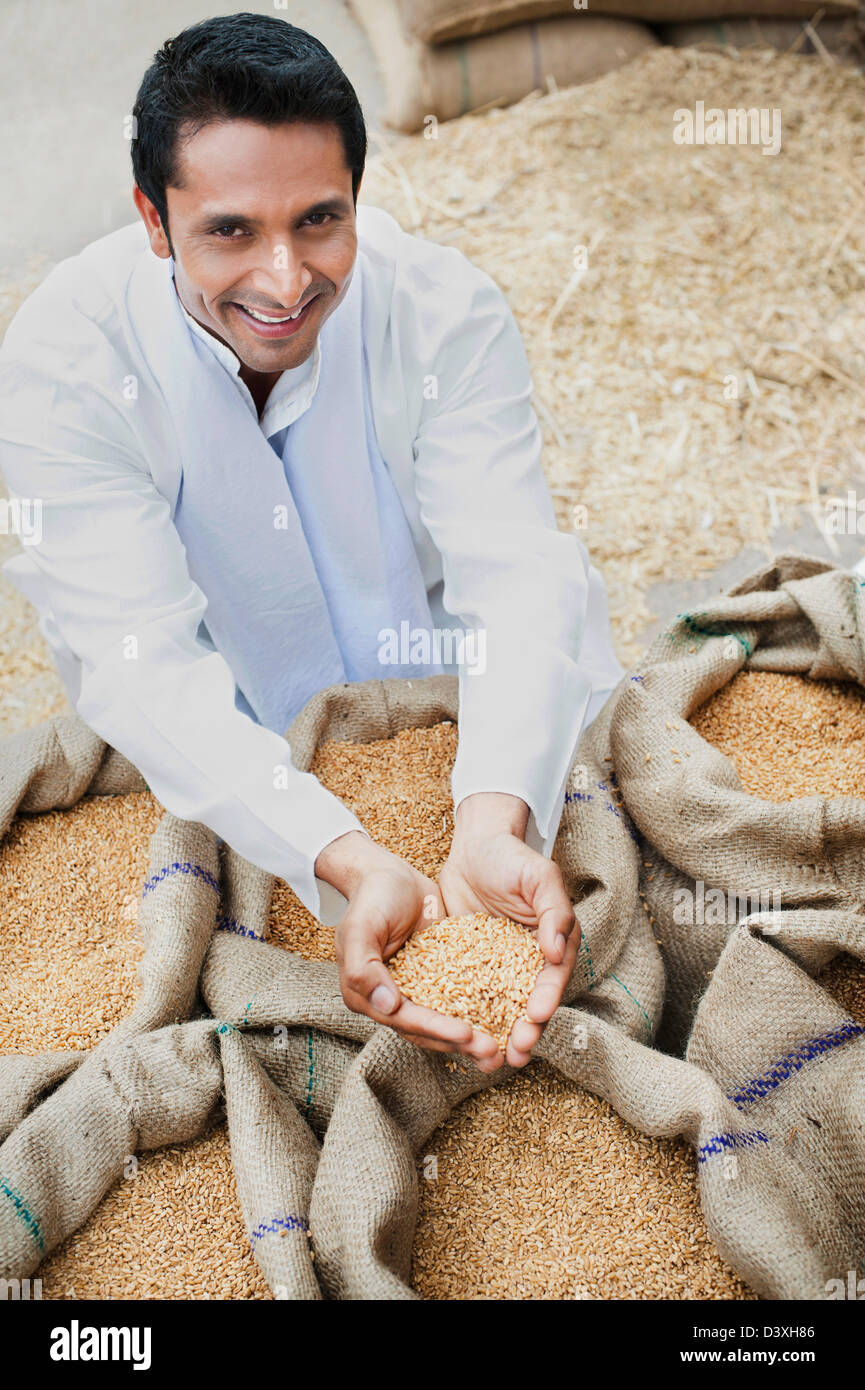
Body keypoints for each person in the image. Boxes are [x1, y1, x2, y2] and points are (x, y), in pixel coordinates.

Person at [0, 13, 623, 1074]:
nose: (286, 281)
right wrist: (339, 856)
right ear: (154, 219)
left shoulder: (441, 311)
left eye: (318, 221)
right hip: (240, 778)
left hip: (460, 736)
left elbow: (515, 579)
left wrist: (491, 815)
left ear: (357, 197)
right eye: (231, 231)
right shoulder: (65, 365)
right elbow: (138, 663)